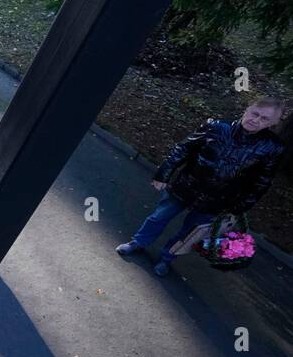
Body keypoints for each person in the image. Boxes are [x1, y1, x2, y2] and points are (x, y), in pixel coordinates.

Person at [117, 98, 286, 276]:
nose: (256, 120)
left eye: (264, 119)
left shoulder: (273, 147)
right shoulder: (217, 126)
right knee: (158, 218)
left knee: (190, 234)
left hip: (218, 199)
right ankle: (138, 243)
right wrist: (164, 173)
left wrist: (240, 208)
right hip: (186, 186)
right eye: (255, 114)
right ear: (247, 109)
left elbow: (262, 181)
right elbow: (183, 148)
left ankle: (166, 259)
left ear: (273, 123)